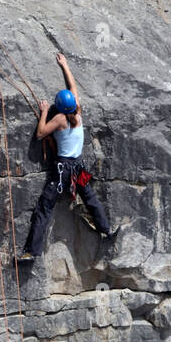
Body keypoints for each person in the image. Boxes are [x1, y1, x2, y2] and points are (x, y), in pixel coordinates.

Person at [19, 52, 118, 262]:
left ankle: (32, 252)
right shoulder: (77, 112)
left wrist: (45, 110)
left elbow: (40, 133)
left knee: (45, 207)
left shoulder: (61, 119)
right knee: (89, 198)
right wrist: (64, 65)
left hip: (62, 170)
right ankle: (106, 229)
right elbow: (73, 89)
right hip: (78, 167)